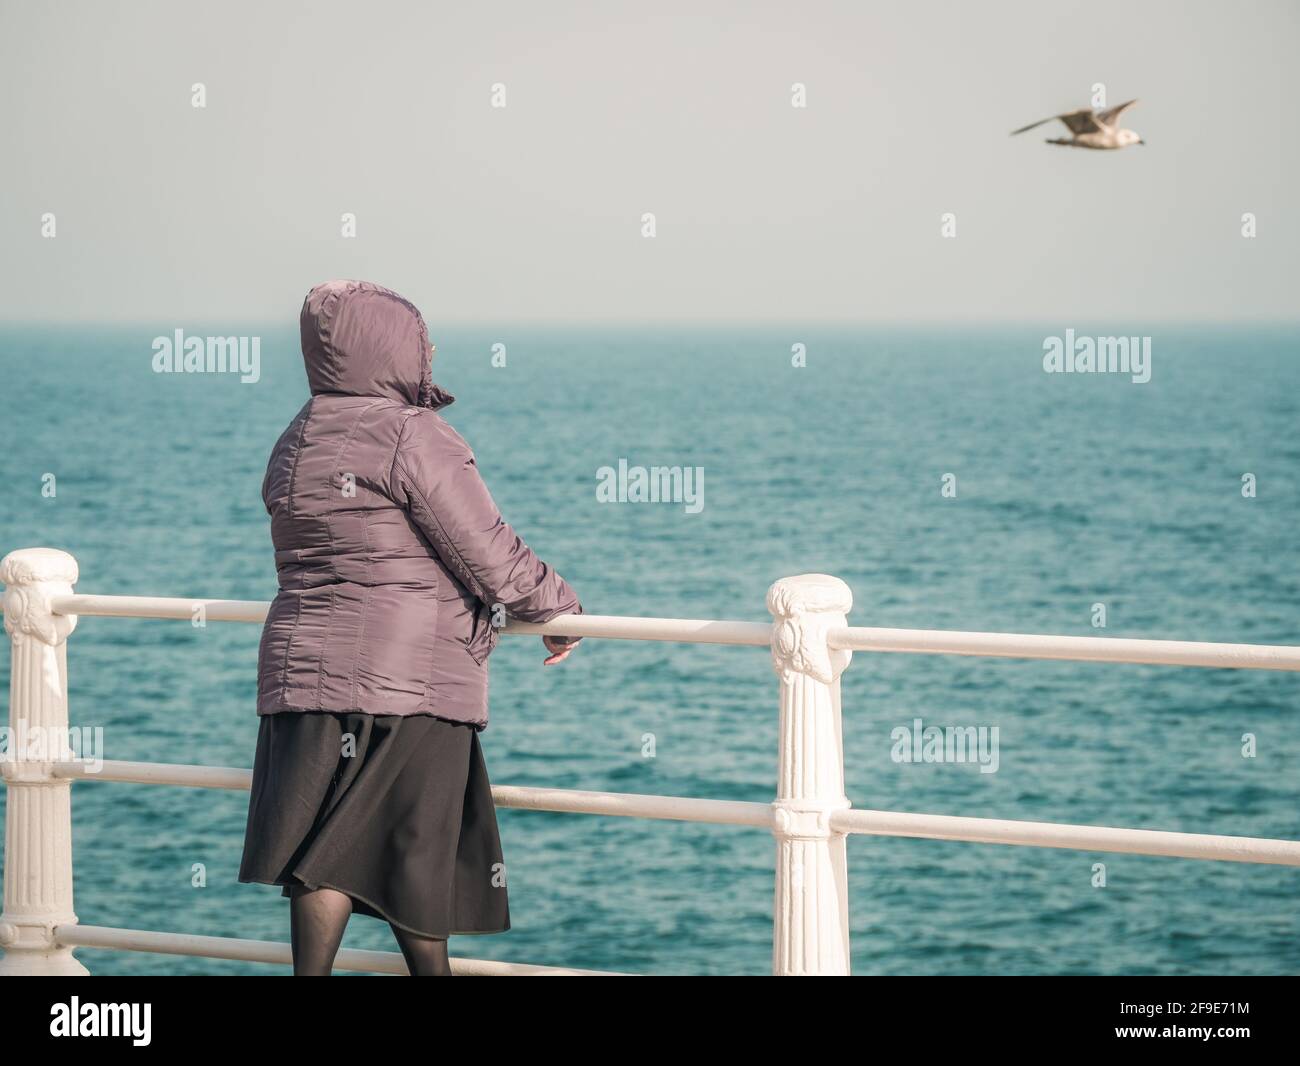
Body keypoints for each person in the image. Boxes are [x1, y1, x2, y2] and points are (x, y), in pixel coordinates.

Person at [238, 279, 582, 975]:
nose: (431, 352)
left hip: (303, 676)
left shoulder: (295, 438)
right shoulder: (412, 434)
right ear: (389, 348)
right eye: (421, 341)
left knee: (324, 851)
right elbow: (482, 544)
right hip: (407, 679)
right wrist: (555, 606)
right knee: (416, 849)